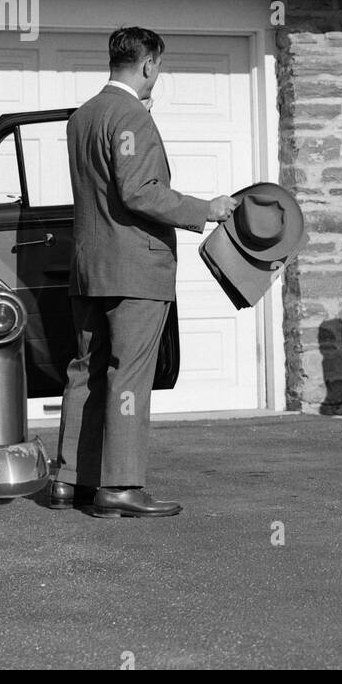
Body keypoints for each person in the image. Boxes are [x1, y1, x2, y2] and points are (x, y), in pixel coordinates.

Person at [51, 27, 239, 518]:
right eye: (160, 65)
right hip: (134, 269)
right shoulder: (130, 114)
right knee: (129, 376)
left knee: (85, 371)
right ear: (149, 63)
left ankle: (69, 480)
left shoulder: (83, 116)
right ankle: (120, 486)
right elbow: (140, 192)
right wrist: (209, 207)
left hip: (89, 266)